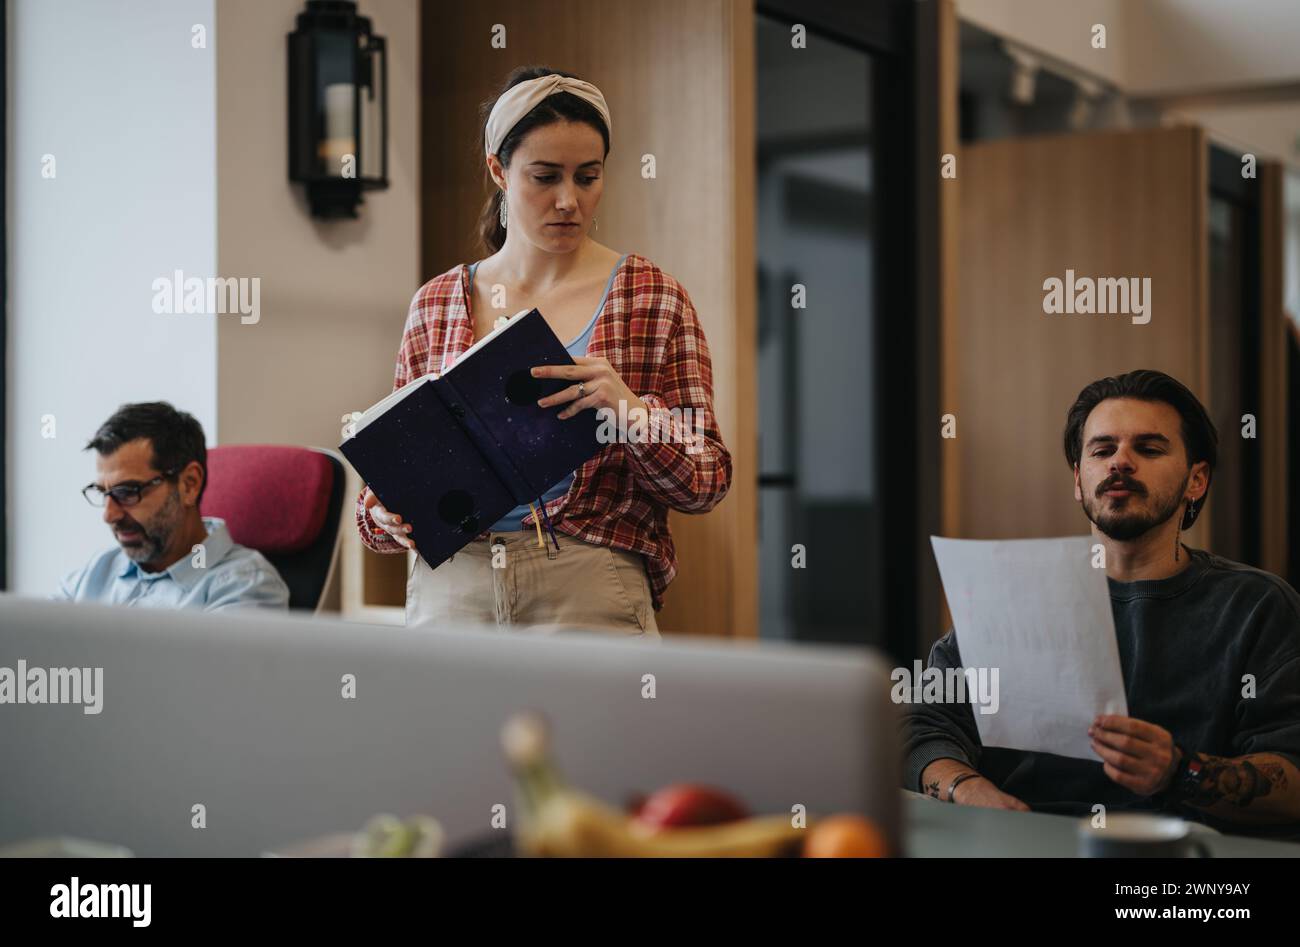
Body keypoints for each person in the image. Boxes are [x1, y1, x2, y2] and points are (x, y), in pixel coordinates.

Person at [355, 66, 731, 635]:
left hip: (588, 586)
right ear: (499, 171)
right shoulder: (437, 303)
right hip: (453, 591)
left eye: (588, 176)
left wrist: (632, 414)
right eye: (545, 176)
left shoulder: (651, 296)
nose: (568, 201)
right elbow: (387, 485)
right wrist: (383, 512)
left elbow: (706, 480)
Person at [904, 369, 1300, 839]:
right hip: (1021, 842)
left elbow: (1292, 778)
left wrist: (1181, 772)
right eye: (1103, 449)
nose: (1121, 463)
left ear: (1196, 480)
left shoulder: (1257, 606)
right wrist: (967, 789)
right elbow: (921, 726)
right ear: (1079, 478)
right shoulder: (1013, 592)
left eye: (1149, 449)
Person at [54, 402, 289, 612]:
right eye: (102, 493)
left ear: (189, 484)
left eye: (127, 492)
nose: (109, 515)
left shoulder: (244, 586)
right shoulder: (97, 571)